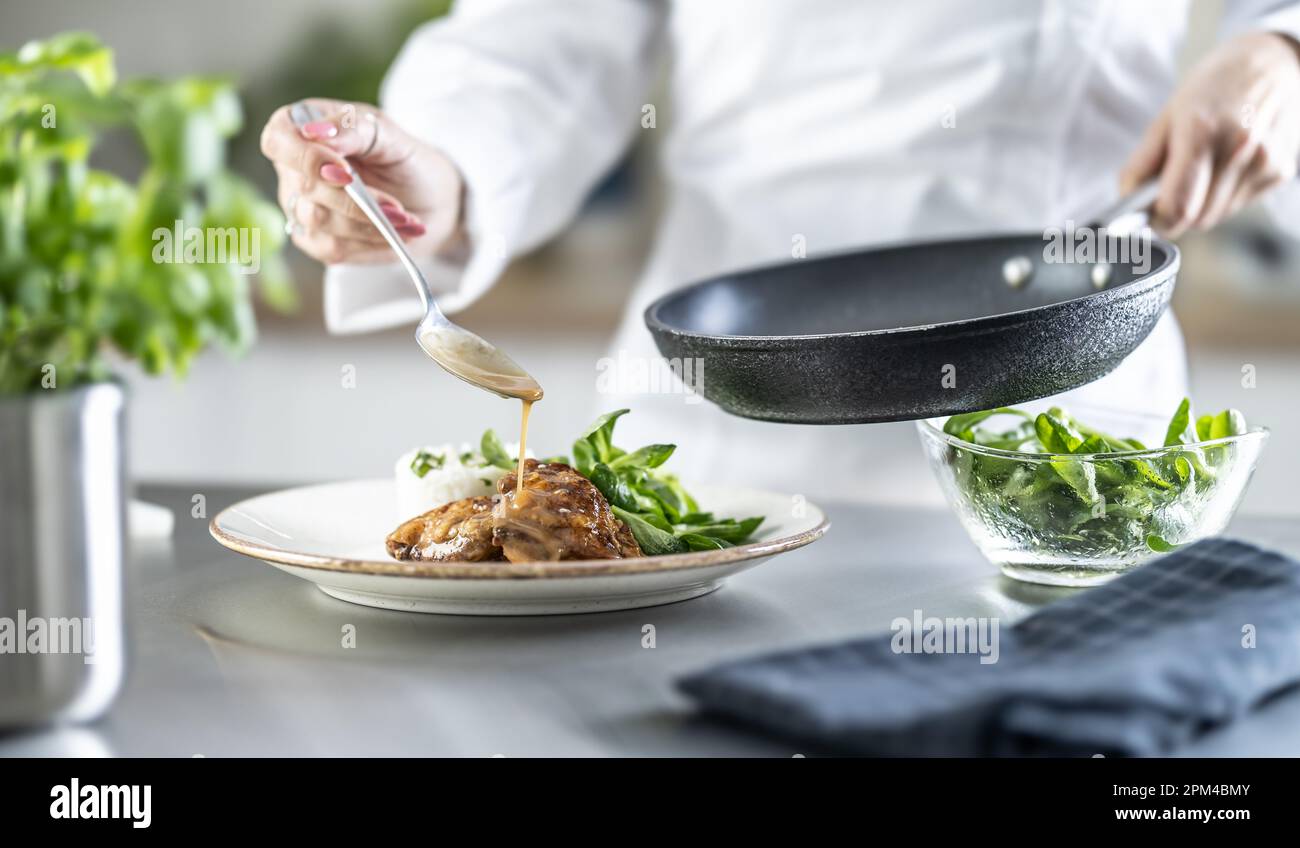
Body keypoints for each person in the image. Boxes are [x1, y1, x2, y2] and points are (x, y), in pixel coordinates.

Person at [260, 1, 1300, 499]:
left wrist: (1279, 50)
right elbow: (537, 46)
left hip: (1065, 446)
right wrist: (442, 175)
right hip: (721, 445)